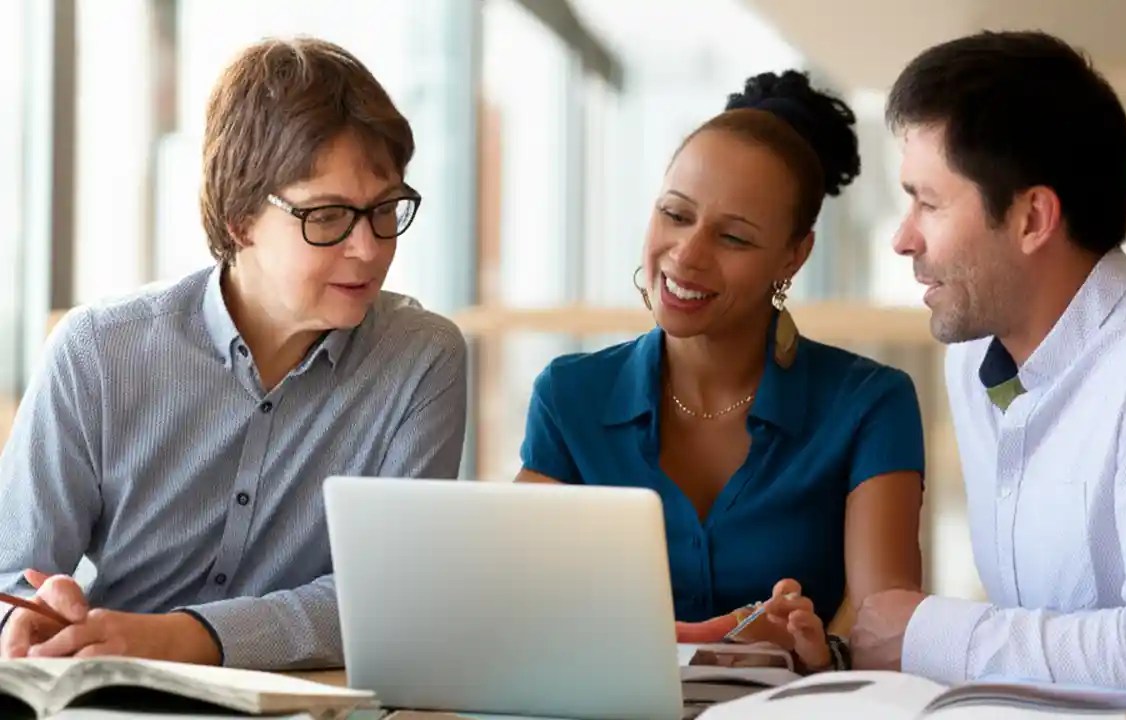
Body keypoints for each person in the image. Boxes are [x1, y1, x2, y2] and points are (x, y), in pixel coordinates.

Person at [838, 30, 1126, 719]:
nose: (903, 238)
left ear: (1032, 218)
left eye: (927, 202)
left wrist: (924, 632)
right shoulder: (976, 360)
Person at [0, 38, 468, 670]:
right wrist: (28, 612)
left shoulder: (422, 361)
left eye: (385, 209)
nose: (369, 247)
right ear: (240, 217)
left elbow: (393, 599)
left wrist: (175, 638)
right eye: (327, 217)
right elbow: (12, 572)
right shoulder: (97, 354)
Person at [516, 70, 926, 672]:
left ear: (794, 255)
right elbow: (514, 606)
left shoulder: (870, 404)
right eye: (675, 215)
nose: (687, 255)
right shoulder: (569, 396)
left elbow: (884, 639)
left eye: (733, 237)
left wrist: (818, 652)